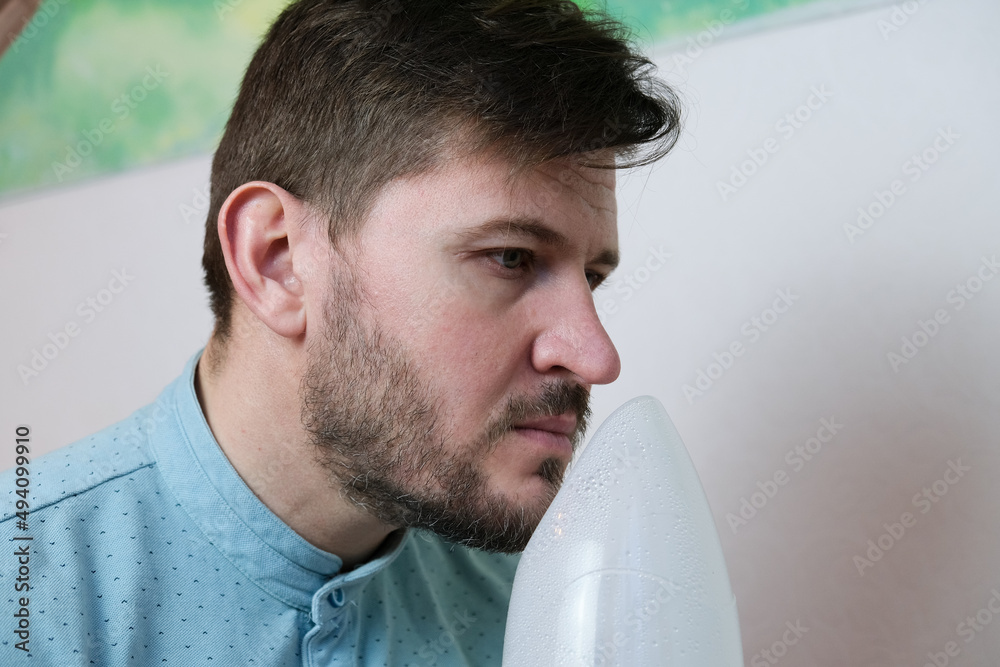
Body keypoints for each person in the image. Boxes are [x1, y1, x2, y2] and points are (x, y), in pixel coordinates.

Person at [1, 0, 680, 663]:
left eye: (592, 277)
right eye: (510, 258)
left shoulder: (538, 615)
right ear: (277, 260)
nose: (596, 356)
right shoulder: (23, 593)